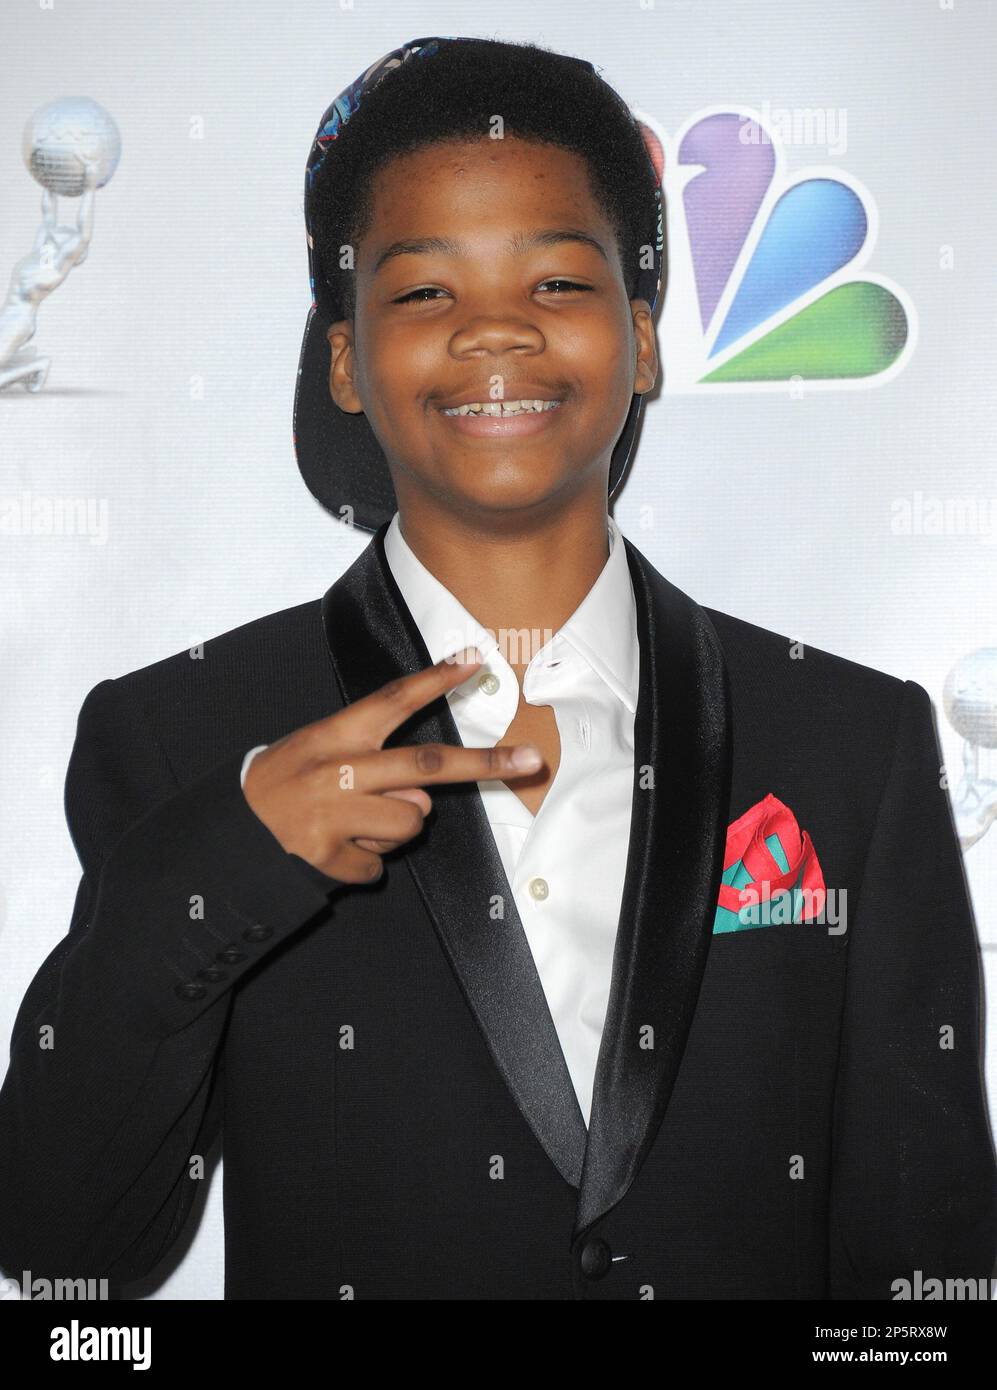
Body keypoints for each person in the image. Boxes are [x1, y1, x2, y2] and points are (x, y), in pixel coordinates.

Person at [0, 36, 993, 1302]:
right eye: (422, 294)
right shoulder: (184, 735)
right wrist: (237, 851)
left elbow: (927, 1271)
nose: (495, 332)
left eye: (559, 283)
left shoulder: (855, 744)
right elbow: (61, 1247)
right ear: (346, 360)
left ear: (641, 342)